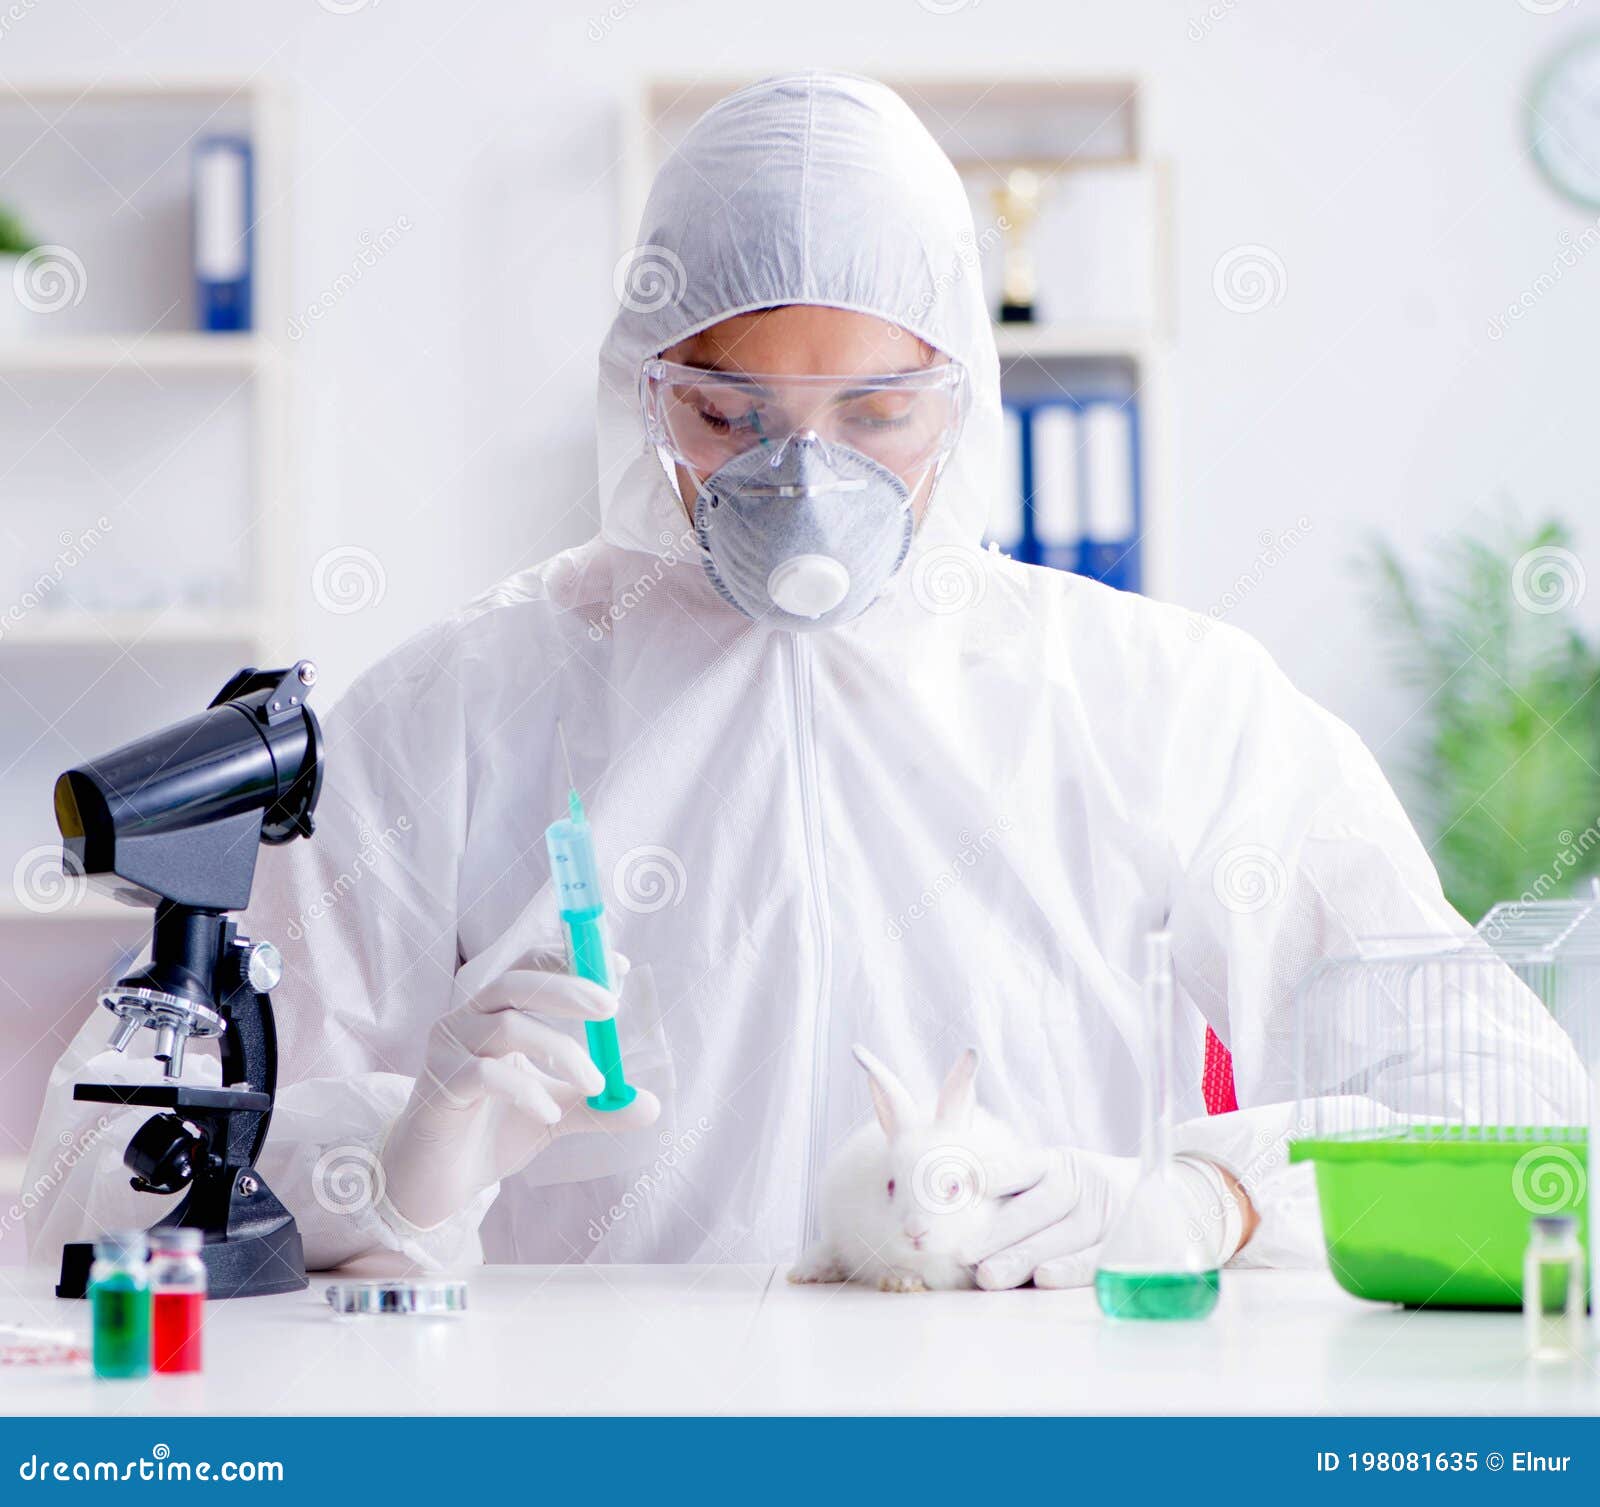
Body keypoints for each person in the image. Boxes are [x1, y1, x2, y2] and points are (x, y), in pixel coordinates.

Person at [25, 73, 1470, 1287]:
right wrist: (390, 1165)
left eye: (879, 412)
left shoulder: (1162, 701)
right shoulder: (462, 705)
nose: (801, 474)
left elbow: (1492, 1100)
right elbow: (85, 1190)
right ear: (643, 388)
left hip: (1031, 1434)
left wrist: (1205, 1203)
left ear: (966, 392)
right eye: (729, 412)